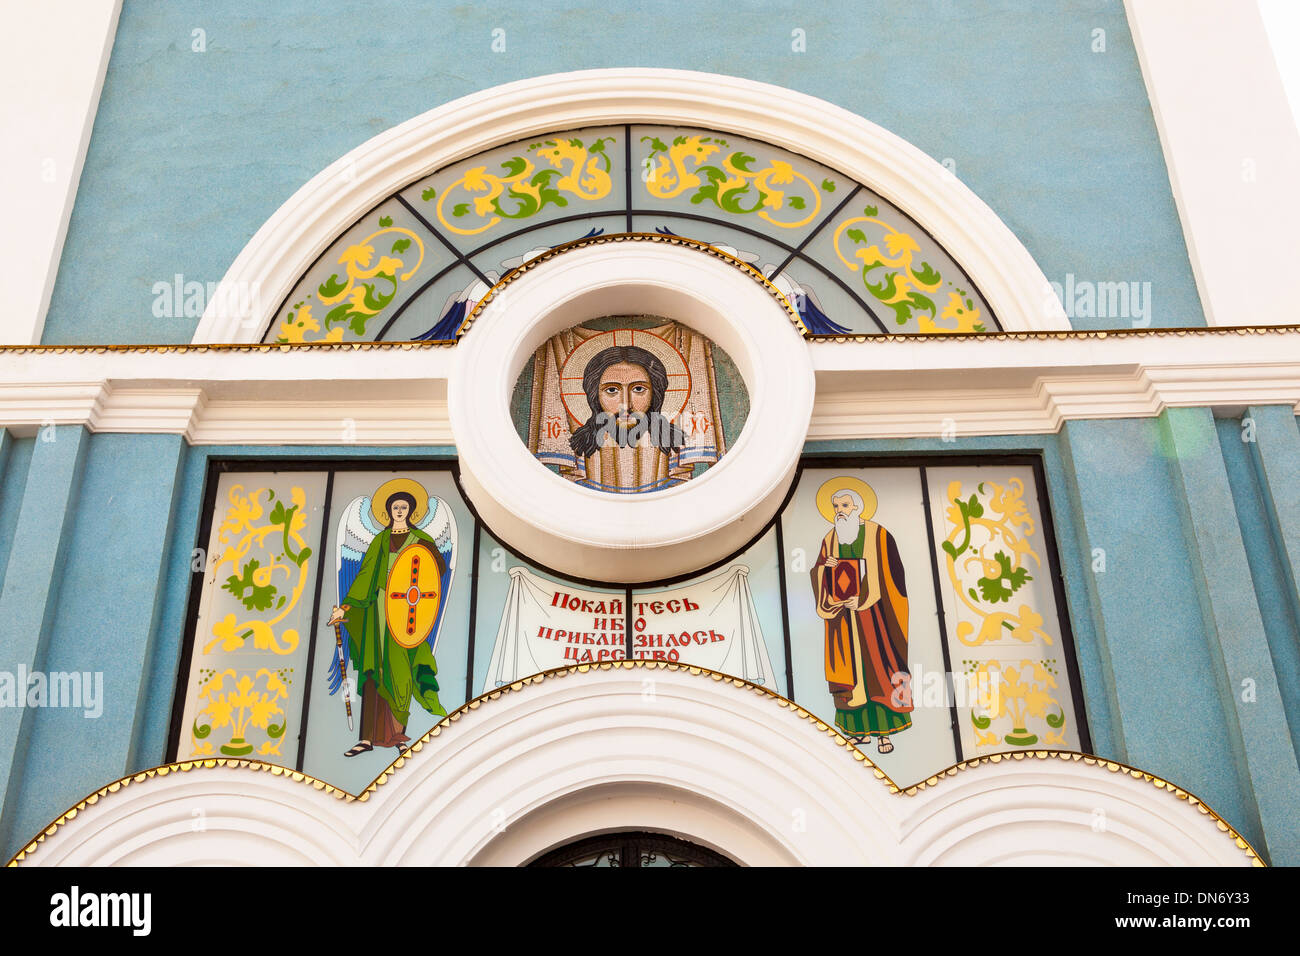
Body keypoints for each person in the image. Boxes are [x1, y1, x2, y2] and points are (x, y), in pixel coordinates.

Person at [326, 491, 445, 756]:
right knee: (373, 673)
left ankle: (398, 736)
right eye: (395, 507)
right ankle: (367, 739)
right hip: (379, 611)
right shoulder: (380, 540)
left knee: (400, 676)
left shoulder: (421, 540)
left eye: (404, 507)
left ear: (411, 511)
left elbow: (436, 570)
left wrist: (426, 555)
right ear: (388, 510)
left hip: (407, 616)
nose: (399, 511)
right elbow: (365, 576)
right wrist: (345, 608)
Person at [810, 483, 912, 753]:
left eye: (844, 505)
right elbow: (819, 572)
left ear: (856, 506)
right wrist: (825, 568)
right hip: (843, 620)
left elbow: (893, 577)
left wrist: (865, 599)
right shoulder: (830, 539)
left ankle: (884, 735)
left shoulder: (878, 535)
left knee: (878, 673)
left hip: (875, 620)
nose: (839, 511)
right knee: (850, 675)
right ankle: (860, 733)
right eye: (835, 507)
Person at [567, 345, 687, 493]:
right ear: (595, 395)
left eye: (638, 389)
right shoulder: (580, 445)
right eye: (612, 390)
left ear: (655, 393)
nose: (626, 405)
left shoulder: (674, 444)